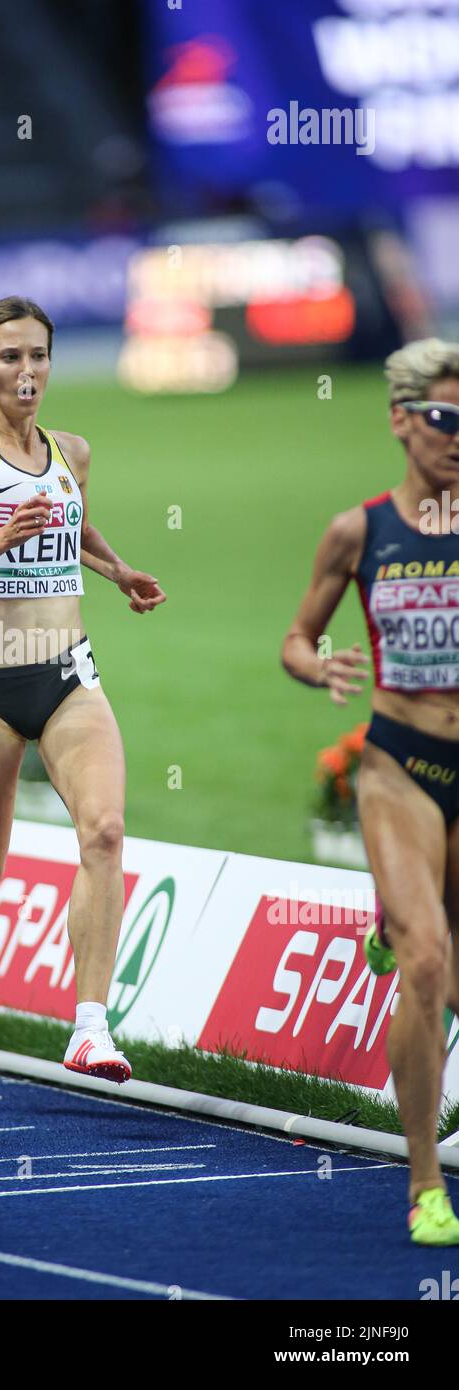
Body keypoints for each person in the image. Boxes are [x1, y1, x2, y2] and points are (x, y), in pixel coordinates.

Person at [0, 295, 166, 1082]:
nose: (27, 371)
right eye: (10, 357)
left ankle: (89, 1028)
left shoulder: (72, 449)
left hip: (69, 676)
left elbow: (71, 524)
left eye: (38, 355)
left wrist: (116, 571)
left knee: (105, 832)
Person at [282, 338, 459, 1245]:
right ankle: (427, 1183)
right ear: (400, 420)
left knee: (447, 975)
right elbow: (295, 640)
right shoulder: (360, 531)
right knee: (426, 961)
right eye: (444, 419)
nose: (458, 438)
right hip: (398, 765)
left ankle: (392, 916)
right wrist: (321, 670)